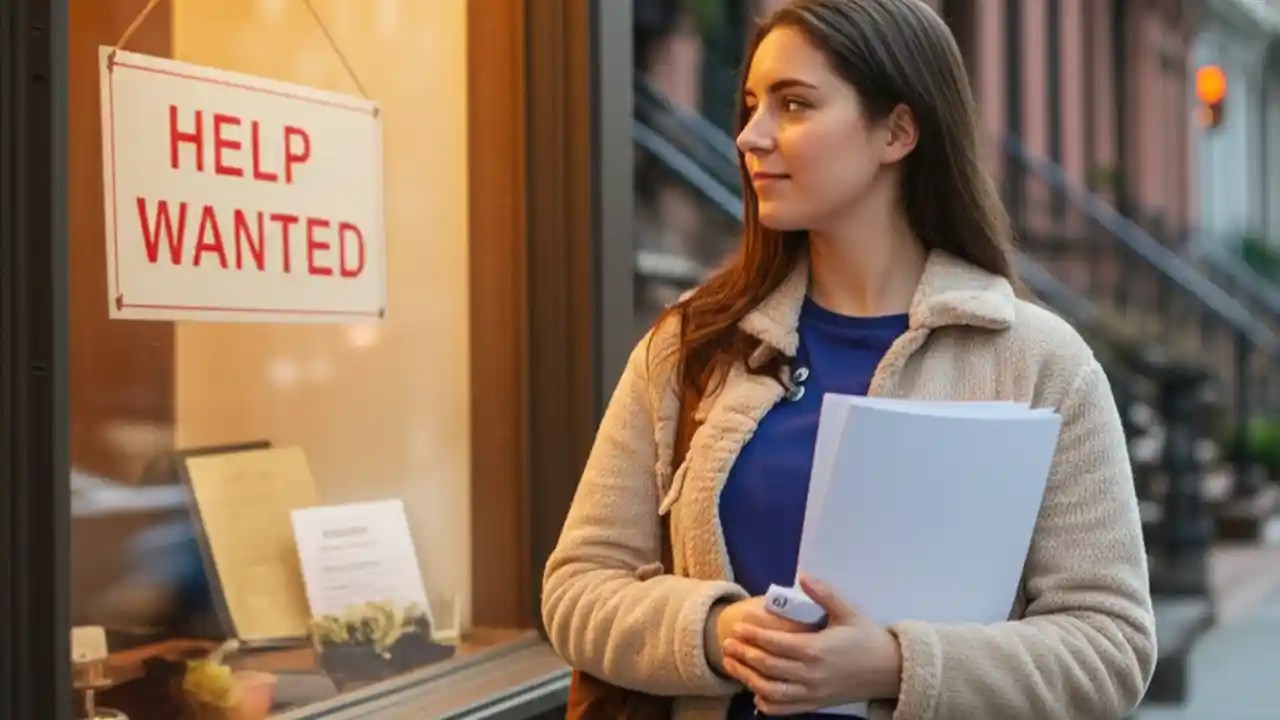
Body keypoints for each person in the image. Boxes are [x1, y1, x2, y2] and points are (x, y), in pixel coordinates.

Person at [542, 0, 1157, 718]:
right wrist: (716, 632)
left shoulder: (1040, 363)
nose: (749, 135)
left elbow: (1112, 646)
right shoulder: (693, 345)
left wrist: (898, 664)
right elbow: (577, 588)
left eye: (794, 105)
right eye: (750, 105)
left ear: (898, 130)